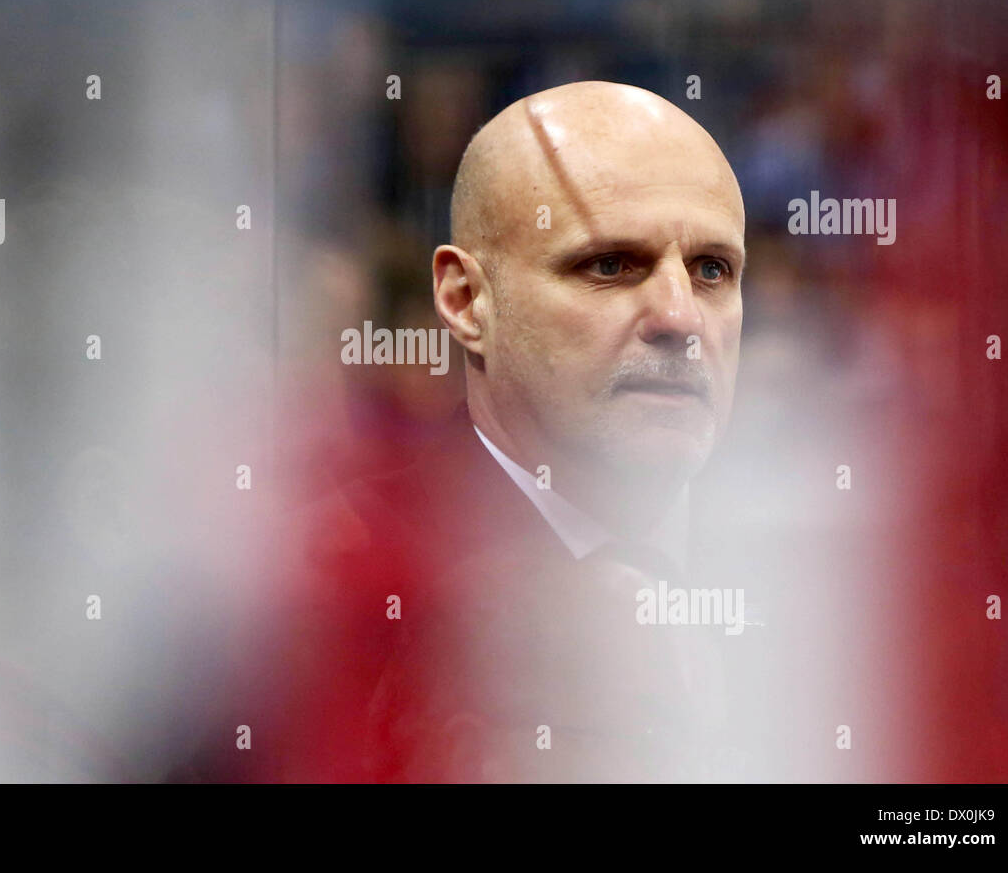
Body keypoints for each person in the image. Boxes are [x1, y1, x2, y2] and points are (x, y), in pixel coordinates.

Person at [183, 80, 747, 782]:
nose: (681, 319)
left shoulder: (849, 582)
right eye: (609, 265)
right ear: (465, 301)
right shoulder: (303, 607)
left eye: (712, 270)